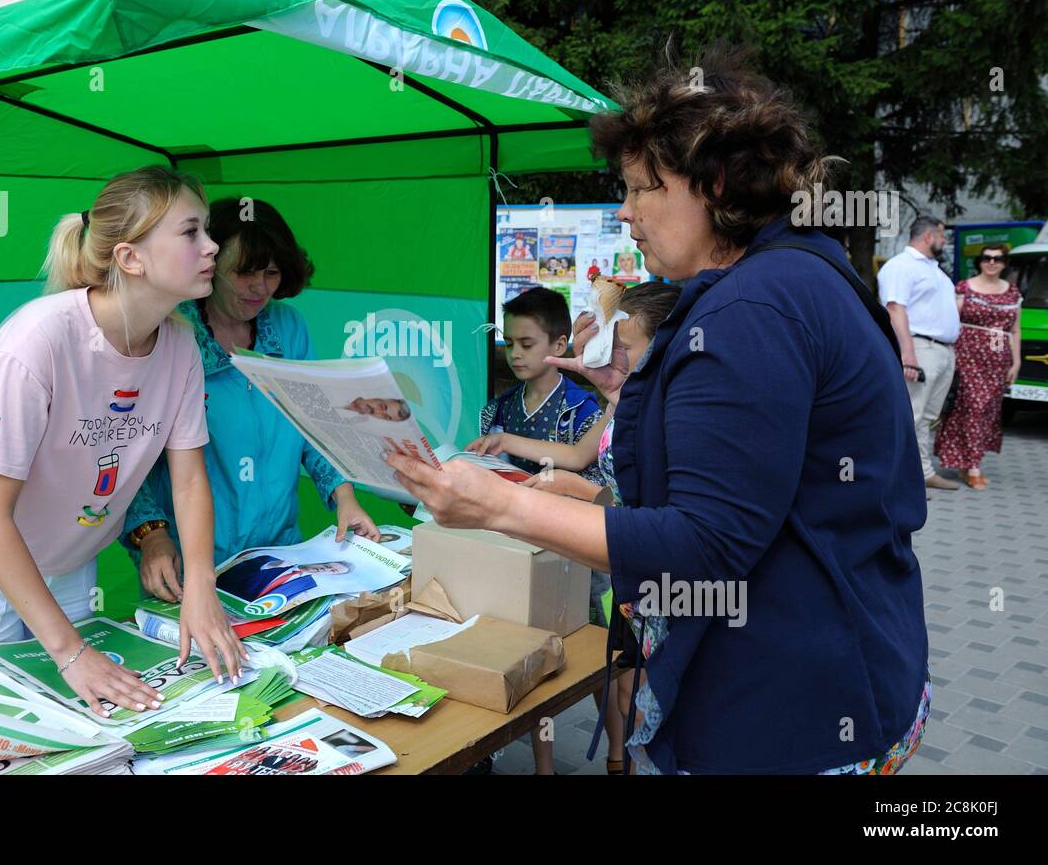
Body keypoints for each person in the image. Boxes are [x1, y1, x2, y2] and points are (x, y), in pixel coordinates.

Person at [386, 47, 930, 775]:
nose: (625, 211)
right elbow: (754, 483)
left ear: (714, 186)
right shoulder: (805, 271)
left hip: (785, 713)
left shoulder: (751, 306)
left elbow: (706, 543)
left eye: (642, 188)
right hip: (850, 670)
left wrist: (492, 505)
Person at [0, 165, 247, 717]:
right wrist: (71, 653)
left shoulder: (182, 345)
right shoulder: (38, 341)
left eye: (208, 230)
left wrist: (201, 586)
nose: (213, 246)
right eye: (191, 232)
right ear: (130, 258)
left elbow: (190, 481)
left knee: (80, 724)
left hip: (75, 563)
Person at [469, 280, 681, 774]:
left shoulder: (669, 412)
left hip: (632, 570)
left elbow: (642, 505)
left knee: (630, 686)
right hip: (622, 567)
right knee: (613, 679)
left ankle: (623, 758)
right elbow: (581, 460)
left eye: (620, 346)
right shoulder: (616, 401)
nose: (610, 357)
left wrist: (574, 494)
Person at [123, 198, 379, 604]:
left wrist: (344, 498)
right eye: (244, 273)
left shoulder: (289, 327)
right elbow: (127, 446)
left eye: (272, 272)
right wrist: (151, 536)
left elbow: (310, 424)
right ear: (208, 264)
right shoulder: (172, 331)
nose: (260, 288)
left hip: (280, 554)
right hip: (191, 564)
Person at [480, 286, 605, 486]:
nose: (515, 354)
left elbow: (596, 485)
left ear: (559, 345)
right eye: (509, 343)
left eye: (527, 344)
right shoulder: (498, 410)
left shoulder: (582, 411)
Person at [877, 216, 962, 491]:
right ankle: (900, 482)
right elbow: (894, 308)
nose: (944, 241)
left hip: (941, 350)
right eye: (942, 236)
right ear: (928, 236)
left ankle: (922, 473)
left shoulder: (934, 270)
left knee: (926, 417)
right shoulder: (901, 266)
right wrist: (908, 354)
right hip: (919, 348)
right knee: (909, 416)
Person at [935, 243, 1023, 488]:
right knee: (973, 406)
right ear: (980, 261)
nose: (991, 262)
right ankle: (973, 467)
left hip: (997, 360)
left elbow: (1015, 330)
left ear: (1004, 263)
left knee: (987, 411)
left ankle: (967, 463)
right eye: (986, 258)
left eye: (997, 259)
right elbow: (950, 320)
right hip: (968, 356)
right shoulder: (965, 287)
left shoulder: (1013, 293)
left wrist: (1016, 362)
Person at [218, 556, 352, 604]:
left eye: (331, 571)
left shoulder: (305, 588)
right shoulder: (269, 560)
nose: (324, 570)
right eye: (327, 566)